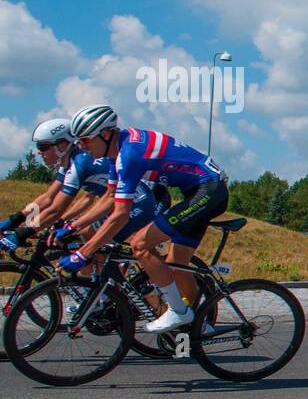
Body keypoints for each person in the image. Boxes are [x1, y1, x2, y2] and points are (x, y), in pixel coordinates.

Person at [61, 105, 229, 332]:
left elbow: (120, 215)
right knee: (177, 264)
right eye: (79, 142)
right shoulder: (117, 153)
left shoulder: (130, 154)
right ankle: (198, 323)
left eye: (86, 140)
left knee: (139, 244)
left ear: (106, 133)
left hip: (209, 190)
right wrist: (73, 225)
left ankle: (178, 312)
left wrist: (84, 252)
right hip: (200, 190)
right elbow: (109, 198)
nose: (81, 146)